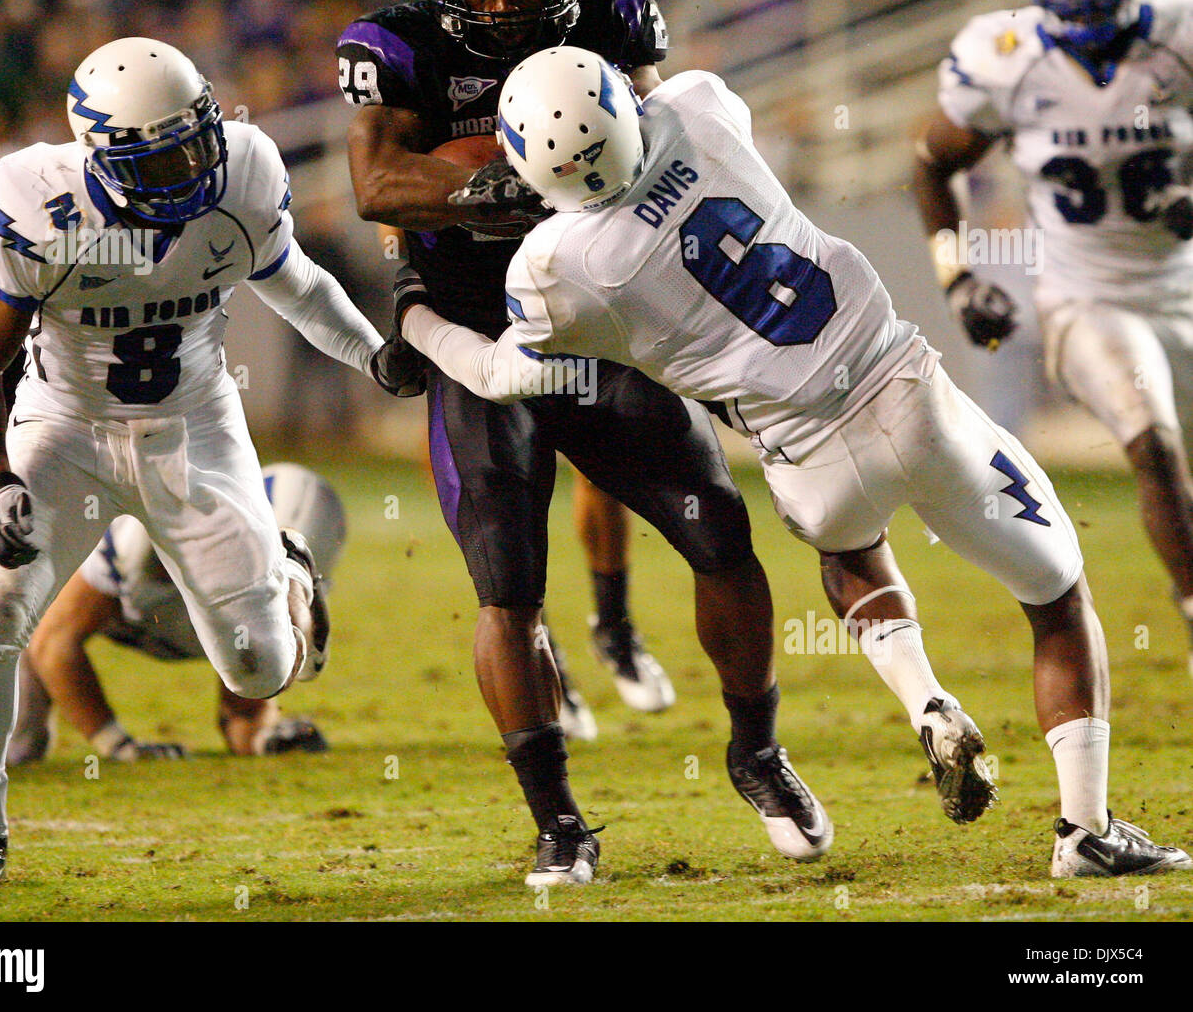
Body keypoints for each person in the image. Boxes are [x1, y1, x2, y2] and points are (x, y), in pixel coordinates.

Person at [399, 45, 1192, 878]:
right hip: (903, 389)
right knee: (1057, 595)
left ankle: (924, 695)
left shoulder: (555, 268)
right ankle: (1088, 828)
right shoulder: (701, 107)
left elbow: (494, 371)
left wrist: (414, 317)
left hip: (803, 457)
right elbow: (657, 107)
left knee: (850, 550)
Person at [339, 0, 826, 886]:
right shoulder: (400, 46)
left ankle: (758, 752)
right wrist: (507, 178)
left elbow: (660, 153)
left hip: (602, 329)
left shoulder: (614, 17)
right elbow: (378, 182)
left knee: (718, 530)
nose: (509, 4)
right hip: (481, 337)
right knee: (507, 587)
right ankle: (559, 819)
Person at [0, 36, 422, 894]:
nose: (191, 167)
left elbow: (296, 283)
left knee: (261, 668)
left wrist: (373, 353)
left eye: (197, 140)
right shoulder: (36, 203)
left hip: (194, 422)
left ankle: (289, 570)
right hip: (67, 425)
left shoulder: (243, 173)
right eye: (162, 158)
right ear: (103, 158)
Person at [915, 0, 1193, 675]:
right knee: (1152, 441)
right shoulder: (1007, 55)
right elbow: (932, 161)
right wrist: (957, 276)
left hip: (1185, 281)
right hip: (1088, 297)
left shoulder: (1181, 35)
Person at [0, 464, 342, 761]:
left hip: (43, 582)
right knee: (15, 731)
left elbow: (243, 700)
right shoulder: (153, 540)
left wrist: (263, 738)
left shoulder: (276, 592)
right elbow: (54, 642)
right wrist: (117, 743)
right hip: (12, 557)